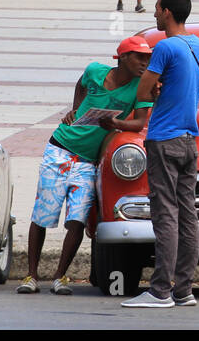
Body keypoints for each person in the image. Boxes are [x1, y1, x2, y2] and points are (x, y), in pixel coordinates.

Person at [17, 35, 153, 295]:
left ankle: (60, 276)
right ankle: (31, 275)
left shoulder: (140, 87)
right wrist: (76, 108)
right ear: (123, 57)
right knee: (42, 215)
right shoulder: (95, 71)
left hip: (89, 161)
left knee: (77, 219)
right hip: (60, 148)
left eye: (148, 58)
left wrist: (116, 125)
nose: (145, 62)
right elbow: (81, 83)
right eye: (139, 57)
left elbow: (138, 123)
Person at [122, 0, 199, 309]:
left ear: (168, 12)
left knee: (165, 213)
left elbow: (144, 88)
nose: (155, 13)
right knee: (188, 214)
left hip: (164, 138)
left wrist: (149, 88)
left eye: (157, 8)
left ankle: (160, 290)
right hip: (189, 140)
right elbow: (186, 85)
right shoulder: (198, 45)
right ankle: (184, 289)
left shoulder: (165, 46)